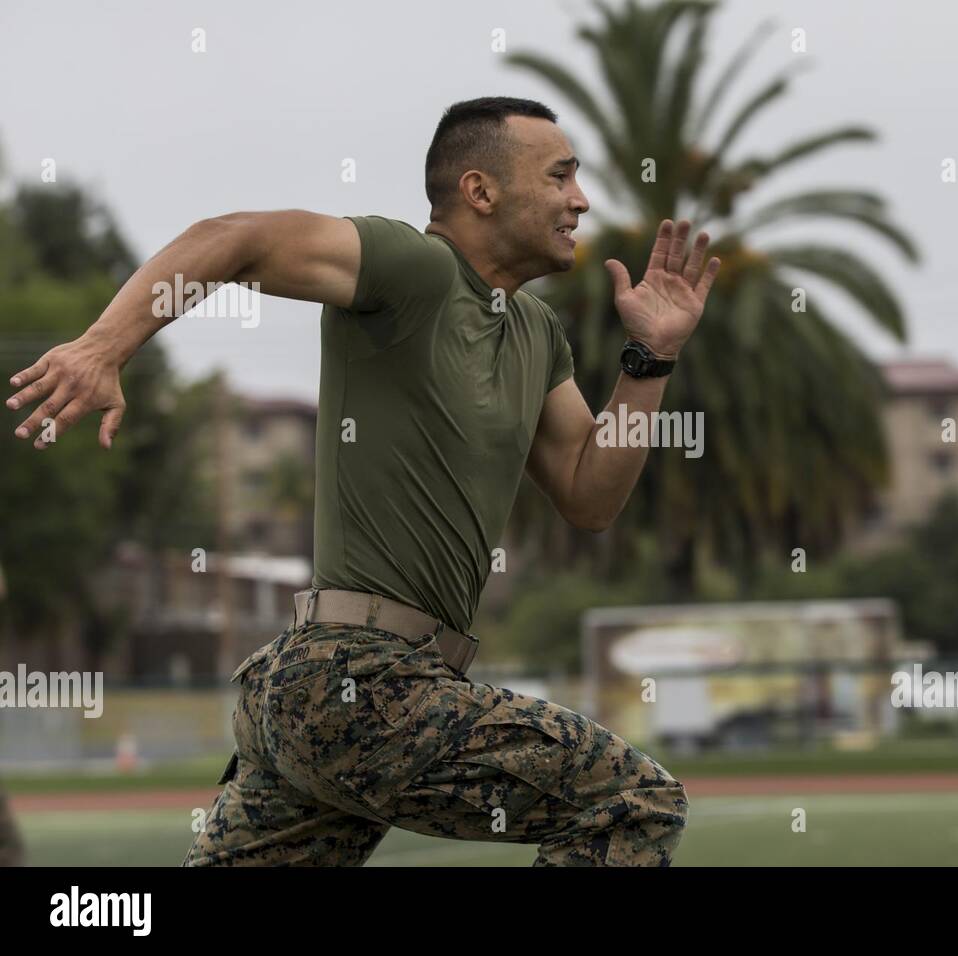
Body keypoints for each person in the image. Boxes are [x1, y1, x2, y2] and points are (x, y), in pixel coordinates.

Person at [5, 96, 720, 866]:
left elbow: (589, 494)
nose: (580, 200)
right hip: (361, 681)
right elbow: (231, 239)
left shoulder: (536, 333)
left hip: (333, 696)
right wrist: (102, 348)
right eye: (560, 176)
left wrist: (649, 361)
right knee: (633, 801)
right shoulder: (413, 268)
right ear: (480, 191)